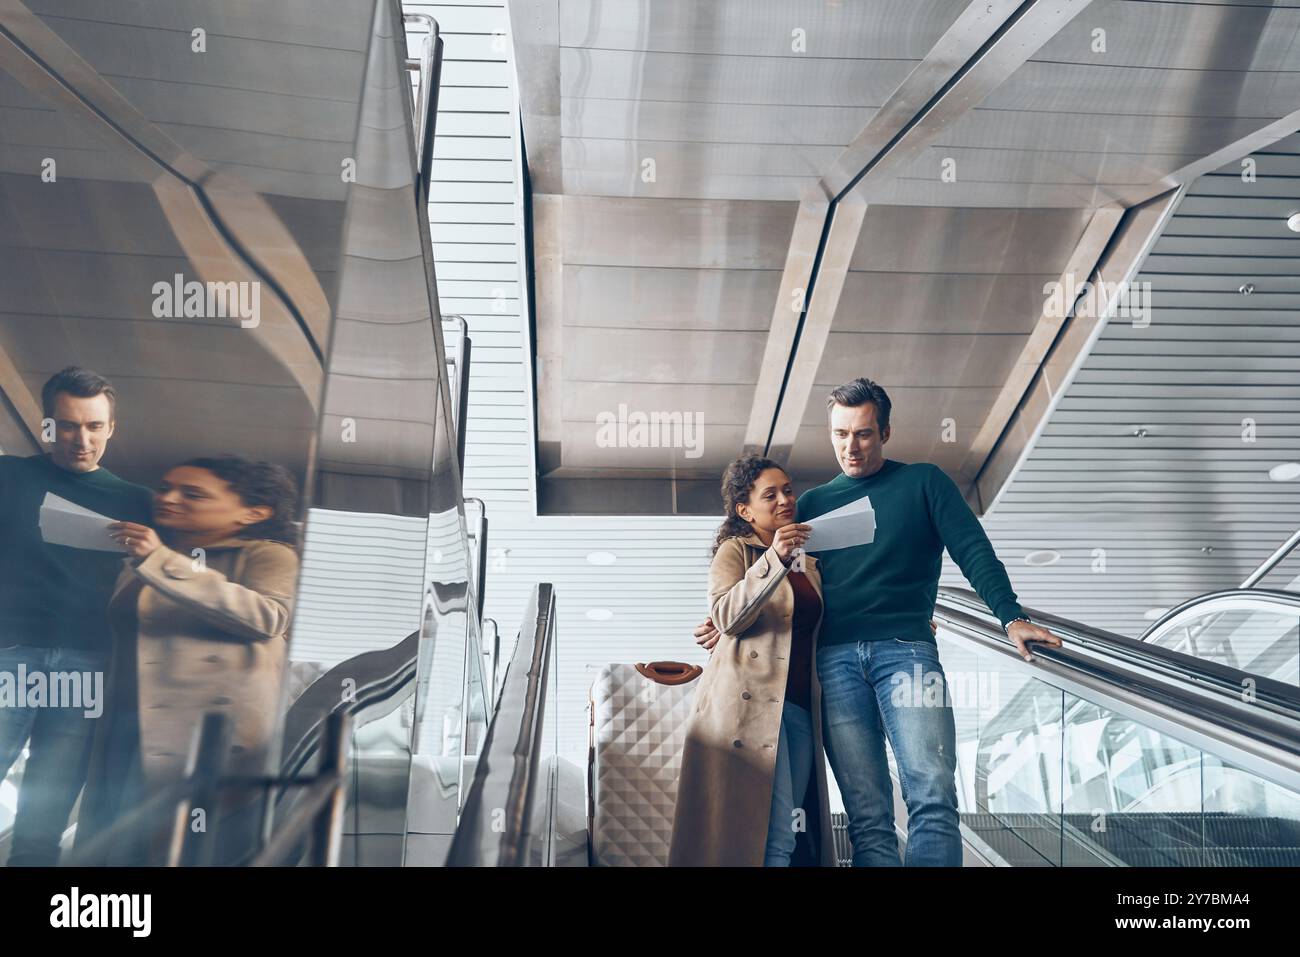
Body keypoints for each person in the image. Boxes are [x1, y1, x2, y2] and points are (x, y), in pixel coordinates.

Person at [694, 377, 1062, 866]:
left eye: (863, 433)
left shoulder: (925, 482)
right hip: (832, 665)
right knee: (867, 815)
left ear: (885, 432)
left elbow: (973, 549)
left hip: (906, 652)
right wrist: (723, 625)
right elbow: (768, 569)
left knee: (932, 792)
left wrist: (1010, 616)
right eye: (840, 434)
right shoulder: (813, 506)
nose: (851, 446)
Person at [77, 455, 300, 865]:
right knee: (116, 843)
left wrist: (159, 560)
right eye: (166, 488)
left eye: (192, 494)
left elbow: (268, 616)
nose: (170, 498)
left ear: (253, 512)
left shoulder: (268, 555)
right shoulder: (150, 557)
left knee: (176, 848)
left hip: (203, 738)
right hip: (128, 725)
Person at [0, 367, 153, 866]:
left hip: (88, 665)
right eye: (66, 425)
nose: (80, 439)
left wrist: (152, 553)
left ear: (112, 427)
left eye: (93, 426)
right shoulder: (10, 477)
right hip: (11, 656)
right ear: (47, 426)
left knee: (43, 822)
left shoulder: (138, 503)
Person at [669, 455, 835, 867]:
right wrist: (773, 558)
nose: (784, 500)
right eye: (770, 494)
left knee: (787, 834)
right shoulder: (736, 551)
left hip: (799, 710)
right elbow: (727, 614)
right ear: (745, 510)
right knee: (773, 832)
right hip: (753, 709)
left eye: (788, 490)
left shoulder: (810, 563)